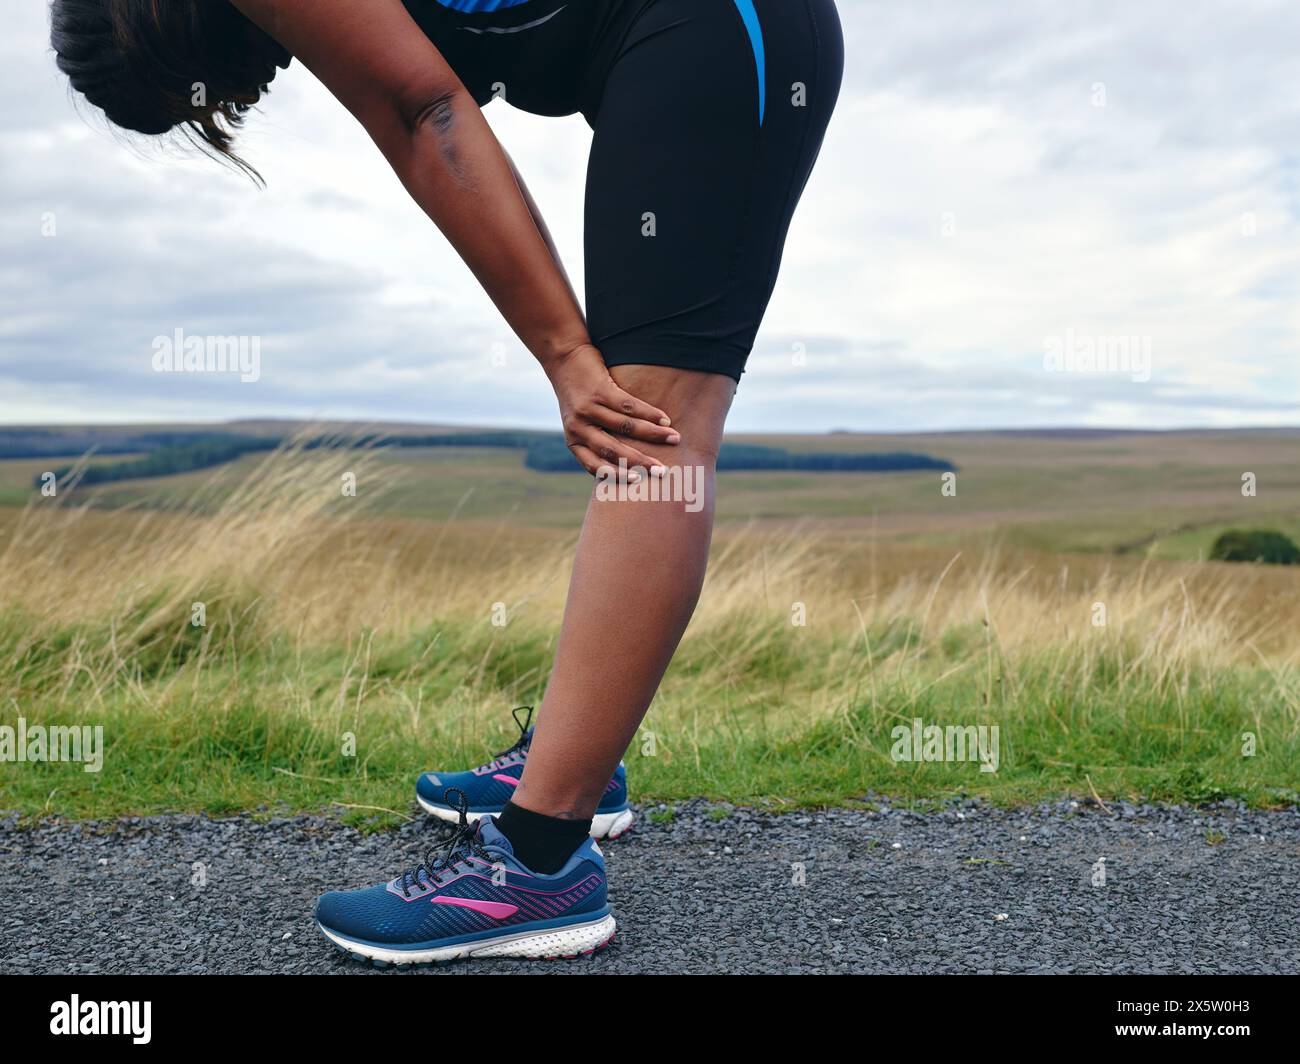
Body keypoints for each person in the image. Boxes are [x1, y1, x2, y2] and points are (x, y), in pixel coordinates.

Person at [52, 0, 843, 965]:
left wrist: (563, 354)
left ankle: (542, 862)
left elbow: (422, 108)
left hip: (721, 28)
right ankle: (574, 766)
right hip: (691, 41)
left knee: (650, 437)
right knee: (646, 426)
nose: (241, 99)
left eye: (200, 97)